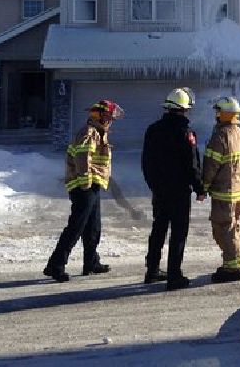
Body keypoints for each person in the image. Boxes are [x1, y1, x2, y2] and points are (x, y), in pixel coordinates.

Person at [44, 99, 125, 282]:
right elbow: (82, 158)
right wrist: (85, 183)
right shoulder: (89, 132)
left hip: (92, 184)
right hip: (83, 186)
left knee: (93, 226)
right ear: (101, 116)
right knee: (77, 226)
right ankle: (55, 265)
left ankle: (91, 261)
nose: (111, 120)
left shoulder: (99, 132)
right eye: (109, 117)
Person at [141, 88, 206, 291]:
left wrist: (154, 185)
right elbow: (192, 164)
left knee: (158, 228)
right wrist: (200, 188)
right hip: (179, 192)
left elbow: (146, 162)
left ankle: (152, 270)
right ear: (185, 110)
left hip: (159, 191)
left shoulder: (152, 129)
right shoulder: (186, 133)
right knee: (178, 232)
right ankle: (174, 275)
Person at [203, 96, 240, 283]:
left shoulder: (220, 136)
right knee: (235, 228)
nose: (216, 115)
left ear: (224, 114)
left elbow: (211, 165)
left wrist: (204, 186)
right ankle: (237, 261)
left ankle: (230, 269)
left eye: (218, 111)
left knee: (223, 229)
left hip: (224, 193)